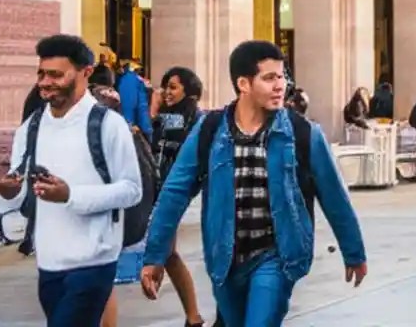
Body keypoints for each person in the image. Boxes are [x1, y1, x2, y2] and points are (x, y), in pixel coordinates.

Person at [140, 41, 368, 326]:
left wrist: (353, 252)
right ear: (243, 83)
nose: (280, 85)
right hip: (224, 260)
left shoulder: (303, 133)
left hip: (277, 256)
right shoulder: (210, 130)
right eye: (269, 78)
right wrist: (155, 255)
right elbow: (175, 192)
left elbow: (334, 196)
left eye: (282, 76)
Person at [0, 35, 142, 327]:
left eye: (56, 74)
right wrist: (8, 191)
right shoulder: (31, 127)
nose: (46, 82)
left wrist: (70, 195)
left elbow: (131, 190)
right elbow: (16, 194)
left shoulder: (108, 124)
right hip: (48, 262)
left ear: (85, 72)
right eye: (41, 73)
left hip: (94, 260)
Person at [147, 66, 206, 327]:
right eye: (165, 87)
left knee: (168, 252)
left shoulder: (192, 118)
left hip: (173, 192)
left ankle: (194, 316)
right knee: (169, 254)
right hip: (157, 189)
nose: (166, 92)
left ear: (189, 90)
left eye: (173, 87)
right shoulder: (166, 116)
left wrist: (152, 111)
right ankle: (193, 317)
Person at [115, 61, 153, 137]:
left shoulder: (119, 80)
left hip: (119, 127)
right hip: (132, 128)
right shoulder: (136, 81)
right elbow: (142, 107)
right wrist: (147, 131)